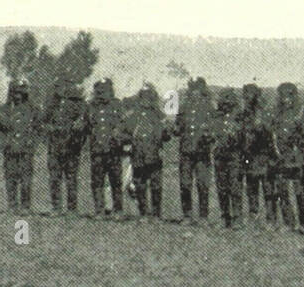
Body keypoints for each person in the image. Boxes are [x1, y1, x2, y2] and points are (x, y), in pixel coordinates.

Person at [121, 84, 172, 219]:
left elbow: (167, 137)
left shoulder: (159, 115)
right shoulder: (132, 116)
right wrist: (129, 142)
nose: (146, 100)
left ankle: (156, 214)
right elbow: (123, 134)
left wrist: (167, 130)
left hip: (154, 155)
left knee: (156, 185)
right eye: (144, 97)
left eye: (149, 97)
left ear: (153, 98)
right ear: (140, 98)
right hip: (138, 155)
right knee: (140, 185)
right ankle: (143, 213)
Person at [0, 80, 41, 213]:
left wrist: (33, 142)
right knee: (10, 178)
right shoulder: (4, 109)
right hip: (10, 148)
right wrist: (3, 141)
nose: (18, 95)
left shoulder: (33, 109)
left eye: (21, 92)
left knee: (26, 179)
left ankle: (25, 206)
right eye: (15, 92)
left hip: (26, 148)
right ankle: (12, 205)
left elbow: (38, 129)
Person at [269, 82, 304, 233]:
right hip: (280, 155)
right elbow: (272, 131)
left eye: (289, 96)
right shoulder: (276, 111)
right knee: (282, 191)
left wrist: (301, 127)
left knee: (300, 191)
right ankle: (289, 222)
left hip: (297, 157)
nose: (286, 99)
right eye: (283, 96)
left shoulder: (302, 110)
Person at [43, 81, 86, 216]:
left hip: (71, 146)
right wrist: (48, 128)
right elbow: (42, 122)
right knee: (54, 178)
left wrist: (78, 129)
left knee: (71, 178)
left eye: (63, 87)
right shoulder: (51, 104)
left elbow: (83, 123)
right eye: (58, 87)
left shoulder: (76, 105)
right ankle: (56, 207)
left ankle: (72, 209)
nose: (60, 90)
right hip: (55, 146)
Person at [175, 77, 215, 223]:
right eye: (192, 90)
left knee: (202, 184)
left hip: (202, 152)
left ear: (203, 91)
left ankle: (203, 216)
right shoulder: (183, 107)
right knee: (185, 184)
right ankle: (187, 215)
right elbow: (177, 127)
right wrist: (175, 129)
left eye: (197, 90)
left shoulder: (209, 108)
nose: (194, 93)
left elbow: (214, 129)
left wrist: (208, 136)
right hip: (186, 152)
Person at [87, 78, 128, 218]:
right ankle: (99, 211)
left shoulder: (117, 105)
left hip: (114, 151)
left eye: (105, 91)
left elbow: (124, 124)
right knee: (97, 182)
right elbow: (86, 126)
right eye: (100, 91)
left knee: (116, 181)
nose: (102, 94)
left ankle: (118, 211)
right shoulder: (91, 107)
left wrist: (119, 135)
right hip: (97, 150)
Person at [239, 84, 276, 224]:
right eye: (245, 95)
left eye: (249, 95)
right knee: (251, 187)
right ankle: (254, 216)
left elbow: (270, 132)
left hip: (264, 155)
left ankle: (271, 219)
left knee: (268, 189)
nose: (247, 98)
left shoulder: (265, 111)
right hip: (249, 155)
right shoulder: (245, 113)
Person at [212, 89, 246, 229]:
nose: (225, 103)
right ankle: (225, 216)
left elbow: (244, 137)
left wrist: (236, 136)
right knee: (222, 187)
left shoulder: (239, 117)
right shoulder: (216, 117)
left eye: (228, 100)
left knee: (235, 187)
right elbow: (211, 133)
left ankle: (237, 217)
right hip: (220, 155)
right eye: (223, 100)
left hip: (235, 155)